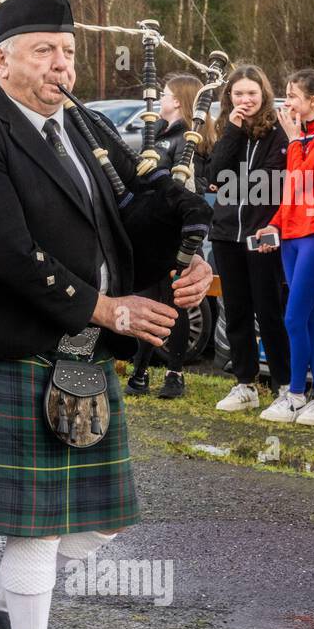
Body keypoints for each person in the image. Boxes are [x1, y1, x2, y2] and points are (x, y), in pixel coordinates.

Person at [0, 0, 213, 629]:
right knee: (38, 532)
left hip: (83, 358)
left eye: (69, 53)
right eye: (45, 51)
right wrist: (106, 310)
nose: (62, 65)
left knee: (102, 520)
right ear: (3, 60)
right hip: (17, 350)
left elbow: (137, 212)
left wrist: (188, 253)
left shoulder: (82, 128)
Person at [253, 68, 314, 424]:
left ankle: (295, 394)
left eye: (292, 96)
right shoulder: (306, 133)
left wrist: (293, 138)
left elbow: (301, 178)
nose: (286, 102)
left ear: (313, 101)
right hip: (293, 235)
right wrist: (273, 226)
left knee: (293, 317)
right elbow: (290, 195)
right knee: (309, 317)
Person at [207, 64, 292, 411]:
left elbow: (269, 179)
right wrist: (234, 131)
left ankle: (286, 386)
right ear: (230, 96)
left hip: (262, 232)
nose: (245, 100)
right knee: (237, 310)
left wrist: (229, 183)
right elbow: (213, 173)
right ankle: (245, 384)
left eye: (251, 94)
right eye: (238, 94)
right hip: (227, 233)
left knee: (269, 310)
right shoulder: (229, 128)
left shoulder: (277, 131)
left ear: (263, 95)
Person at [126, 73, 215, 399]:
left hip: (177, 232)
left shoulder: (189, 139)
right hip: (153, 231)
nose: (160, 99)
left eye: (164, 94)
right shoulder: (161, 136)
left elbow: (191, 187)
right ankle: (140, 371)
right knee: (150, 299)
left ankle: (175, 374)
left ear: (177, 100)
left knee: (175, 302)